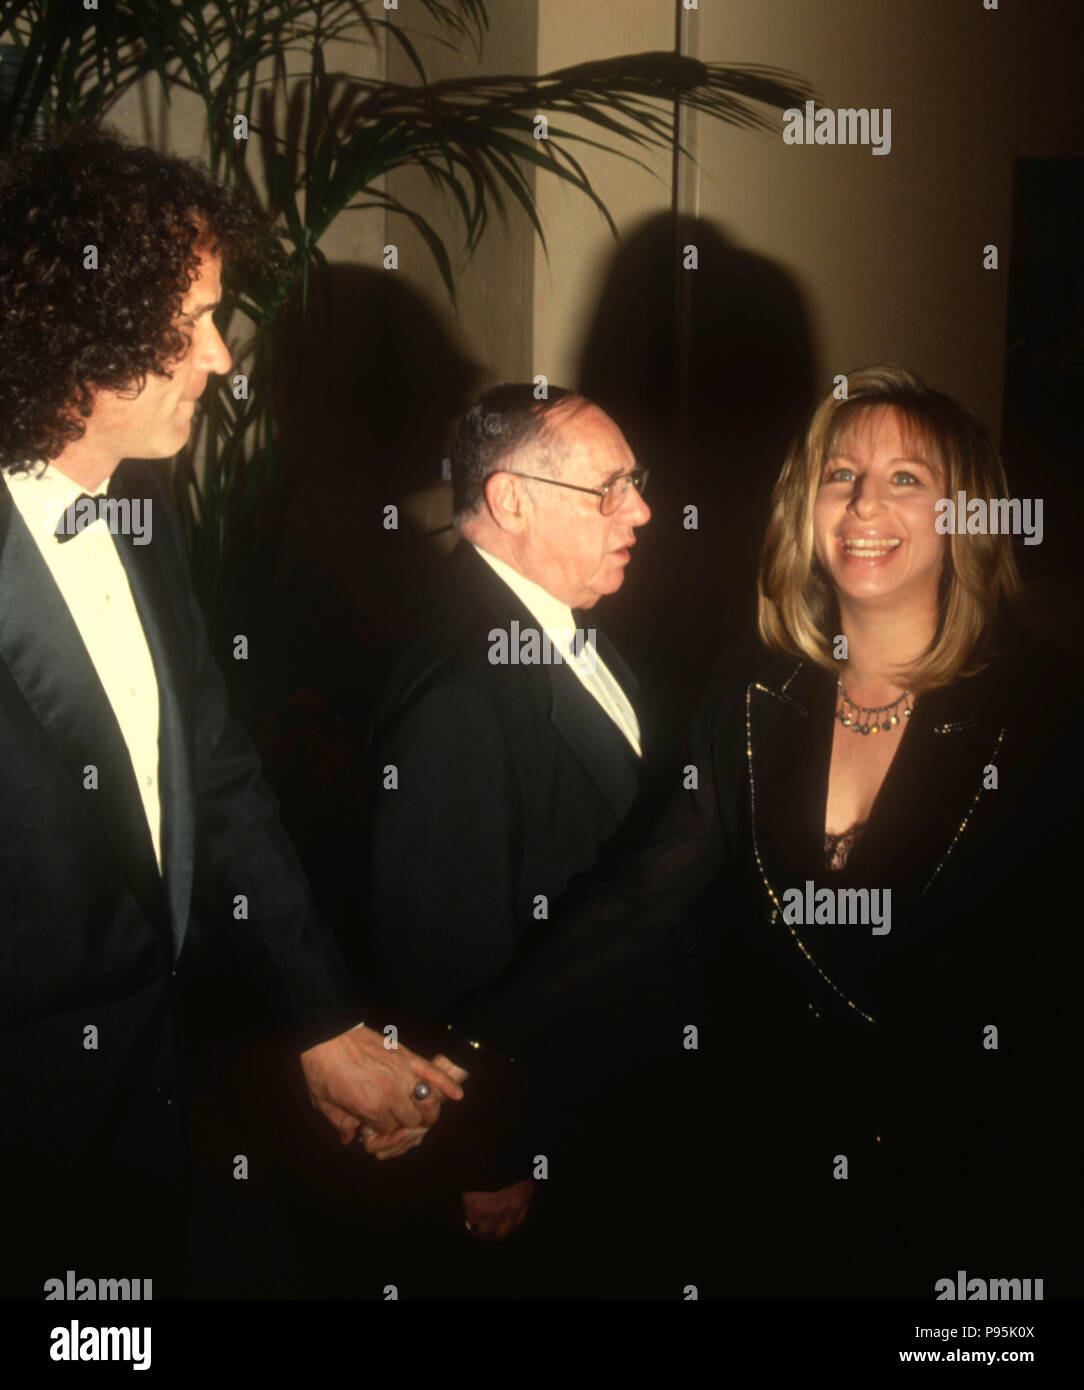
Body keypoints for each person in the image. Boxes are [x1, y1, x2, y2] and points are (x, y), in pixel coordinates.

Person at [494, 364, 1080, 1297]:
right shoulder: (751, 690)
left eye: (907, 480)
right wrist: (469, 1045)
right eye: (840, 475)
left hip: (969, 1209)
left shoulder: (1045, 707)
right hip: (770, 1199)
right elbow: (639, 897)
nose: (862, 505)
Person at [0, 126, 463, 1297]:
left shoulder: (146, 522)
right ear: (80, 328)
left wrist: (318, 1021)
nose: (219, 354)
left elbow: (213, 774)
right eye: (194, 318)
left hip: (158, 1138)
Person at [367, 383, 664, 1250]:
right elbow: (439, 954)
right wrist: (486, 1156)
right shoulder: (459, 688)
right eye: (609, 488)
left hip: (608, 1096)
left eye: (636, 481)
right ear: (511, 501)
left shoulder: (562, 624)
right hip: (539, 1135)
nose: (640, 510)